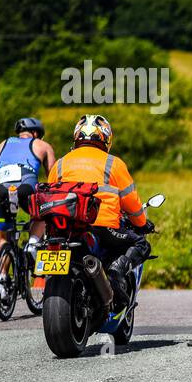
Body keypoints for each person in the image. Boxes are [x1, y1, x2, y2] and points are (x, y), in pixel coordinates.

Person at [48, 115, 150, 308]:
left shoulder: (60, 163)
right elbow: (132, 204)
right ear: (106, 138)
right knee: (141, 243)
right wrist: (142, 224)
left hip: (63, 229)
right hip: (101, 226)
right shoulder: (113, 163)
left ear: (77, 137)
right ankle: (116, 271)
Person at [0, 117, 57, 248]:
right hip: (26, 184)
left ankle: (2, 268)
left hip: (0, 186)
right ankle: (32, 243)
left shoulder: (3, 143)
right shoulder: (42, 145)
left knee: (4, 239)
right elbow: (53, 178)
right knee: (44, 213)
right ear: (36, 133)